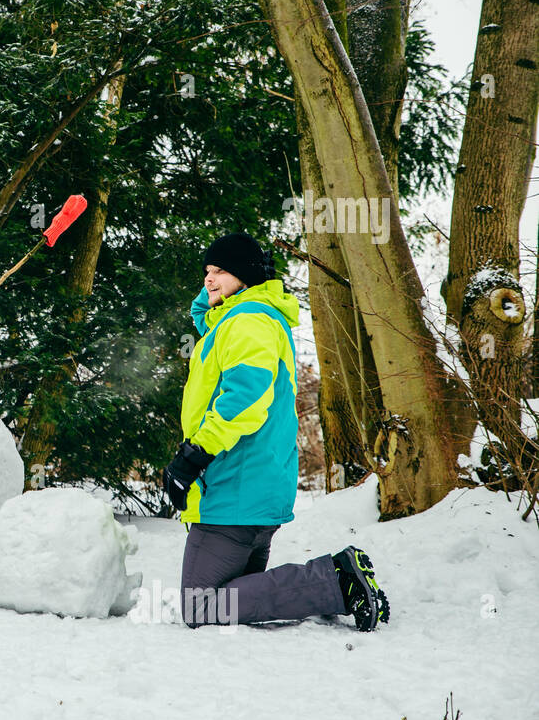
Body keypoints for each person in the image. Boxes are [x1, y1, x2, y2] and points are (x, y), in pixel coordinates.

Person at [161, 232, 391, 632]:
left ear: (245, 276)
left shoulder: (247, 322)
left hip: (234, 489)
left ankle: (335, 580)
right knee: (232, 595)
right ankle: (334, 580)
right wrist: (226, 286)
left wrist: (194, 455)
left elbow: (245, 399)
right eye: (207, 272)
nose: (209, 280)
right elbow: (207, 317)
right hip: (253, 488)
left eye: (220, 271)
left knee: (200, 607)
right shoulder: (248, 318)